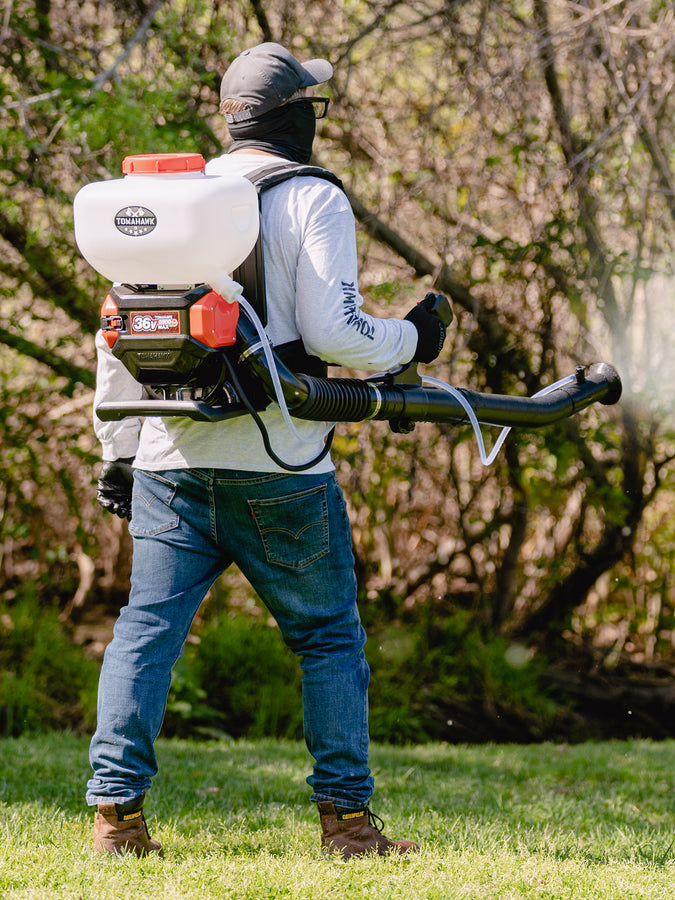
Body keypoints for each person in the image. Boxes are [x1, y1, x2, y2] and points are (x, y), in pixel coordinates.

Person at [87, 41, 447, 859]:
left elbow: (119, 330)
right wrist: (411, 337)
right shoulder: (310, 196)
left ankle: (116, 821)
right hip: (282, 466)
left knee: (145, 634)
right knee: (326, 638)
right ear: (297, 118)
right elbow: (335, 333)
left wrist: (116, 450)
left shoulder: (171, 197)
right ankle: (348, 828)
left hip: (169, 462)